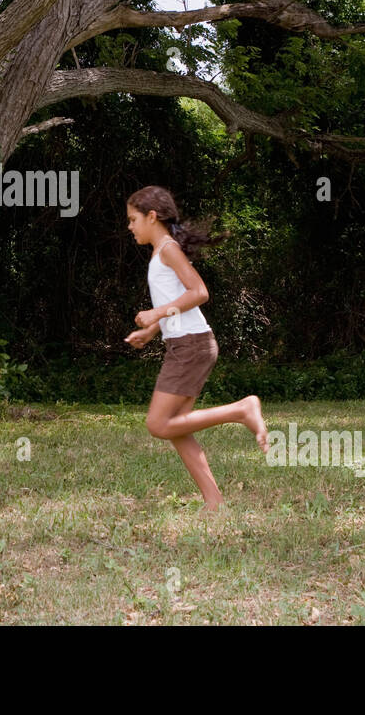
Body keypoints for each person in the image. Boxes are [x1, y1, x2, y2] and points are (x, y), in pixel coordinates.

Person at [123, 185, 268, 512]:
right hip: (188, 343)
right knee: (178, 427)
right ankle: (214, 502)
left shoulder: (168, 250)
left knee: (158, 424)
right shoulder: (159, 251)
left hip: (191, 346)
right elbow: (178, 302)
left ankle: (241, 410)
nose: (130, 227)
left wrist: (156, 314)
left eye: (133, 219)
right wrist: (152, 330)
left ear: (151, 216)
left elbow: (199, 292)